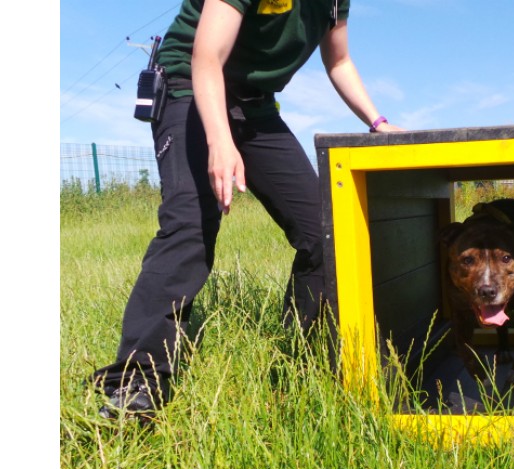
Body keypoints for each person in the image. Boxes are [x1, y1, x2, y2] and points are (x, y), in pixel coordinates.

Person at [93, 0, 401, 423]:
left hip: (255, 104)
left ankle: (302, 357)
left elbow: (340, 61)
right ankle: (138, 380)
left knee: (324, 232)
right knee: (191, 223)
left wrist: (378, 121)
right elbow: (207, 56)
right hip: (190, 84)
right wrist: (220, 141)